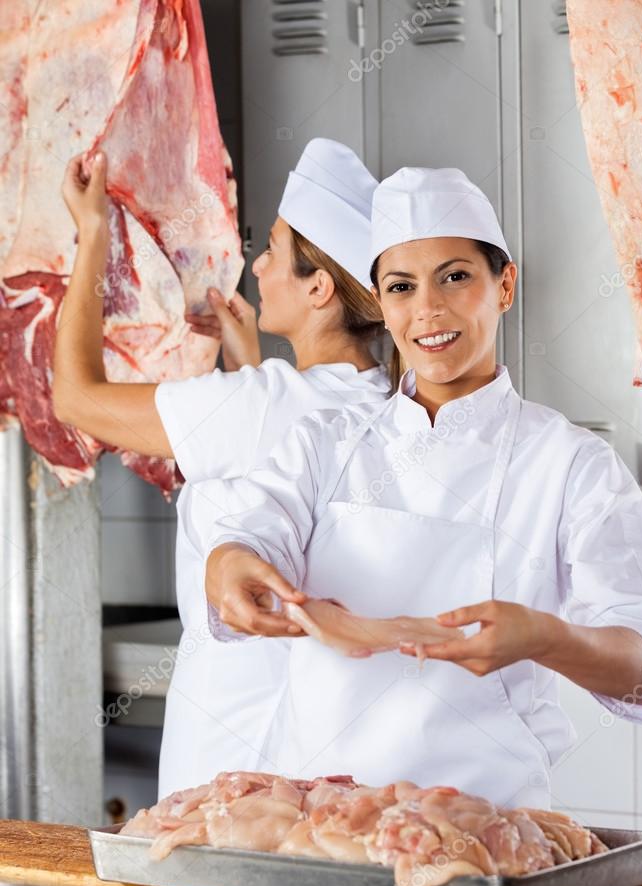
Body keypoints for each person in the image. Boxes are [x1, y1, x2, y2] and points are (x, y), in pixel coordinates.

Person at [204, 166, 642, 809]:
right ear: (380, 302)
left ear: (505, 285)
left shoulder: (572, 464)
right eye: (401, 287)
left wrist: (544, 636)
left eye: (455, 277)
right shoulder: (327, 441)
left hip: (490, 830)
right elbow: (249, 538)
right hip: (325, 824)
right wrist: (230, 565)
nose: (428, 309)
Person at [54, 139, 391, 797]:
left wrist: (91, 234)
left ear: (319, 287)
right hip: (323, 751)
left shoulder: (267, 404)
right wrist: (248, 364)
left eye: (271, 250)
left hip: (232, 747)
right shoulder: (381, 399)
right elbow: (284, 470)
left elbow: (77, 398)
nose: (258, 265)